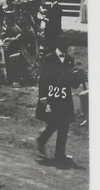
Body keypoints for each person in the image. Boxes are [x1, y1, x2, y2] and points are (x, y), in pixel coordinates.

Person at [35, 35, 84, 165]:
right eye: (63, 44)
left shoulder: (69, 60)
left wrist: (78, 78)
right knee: (55, 121)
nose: (65, 47)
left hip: (64, 97)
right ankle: (43, 140)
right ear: (57, 44)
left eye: (67, 45)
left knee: (64, 123)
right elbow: (43, 80)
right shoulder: (49, 58)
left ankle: (59, 153)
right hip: (52, 96)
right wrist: (43, 98)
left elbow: (70, 83)